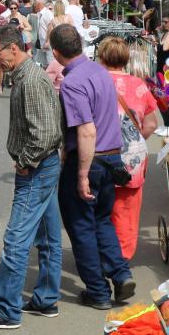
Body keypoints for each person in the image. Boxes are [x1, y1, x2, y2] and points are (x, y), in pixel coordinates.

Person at [0, 25, 64, 330]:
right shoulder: (27, 76)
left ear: (13, 48)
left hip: (36, 169)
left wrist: (25, 161)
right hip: (42, 167)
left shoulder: (31, 81)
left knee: (16, 240)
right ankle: (46, 299)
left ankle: (7, 311)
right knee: (48, 236)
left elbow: (47, 133)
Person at [50, 25, 134, 310]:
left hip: (91, 158)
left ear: (56, 52)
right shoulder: (99, 72)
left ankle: (98, 291)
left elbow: (86, 130)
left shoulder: (73, 83)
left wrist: (82, 174)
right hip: (111, 157)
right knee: (101, 220)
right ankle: (121, 274)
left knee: (81, 226)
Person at [97, 38, 162, 261]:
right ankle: (122, 260)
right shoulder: (139, 85)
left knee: (98, 209)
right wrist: (134, 140)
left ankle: (101, 258)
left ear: (101, 57)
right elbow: (152, 124)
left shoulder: (94, 82)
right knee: (127, 211)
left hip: (99, 156)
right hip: (132, 159)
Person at [29, 0, 54, 67]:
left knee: (50, 62)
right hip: (42, 43)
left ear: (39, 4)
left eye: (35, 4)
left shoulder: (47, 13)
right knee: (44, 63)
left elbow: (51, 27)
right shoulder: (40, 13)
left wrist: (47, 41)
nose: (34, 6)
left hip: (48, 43)